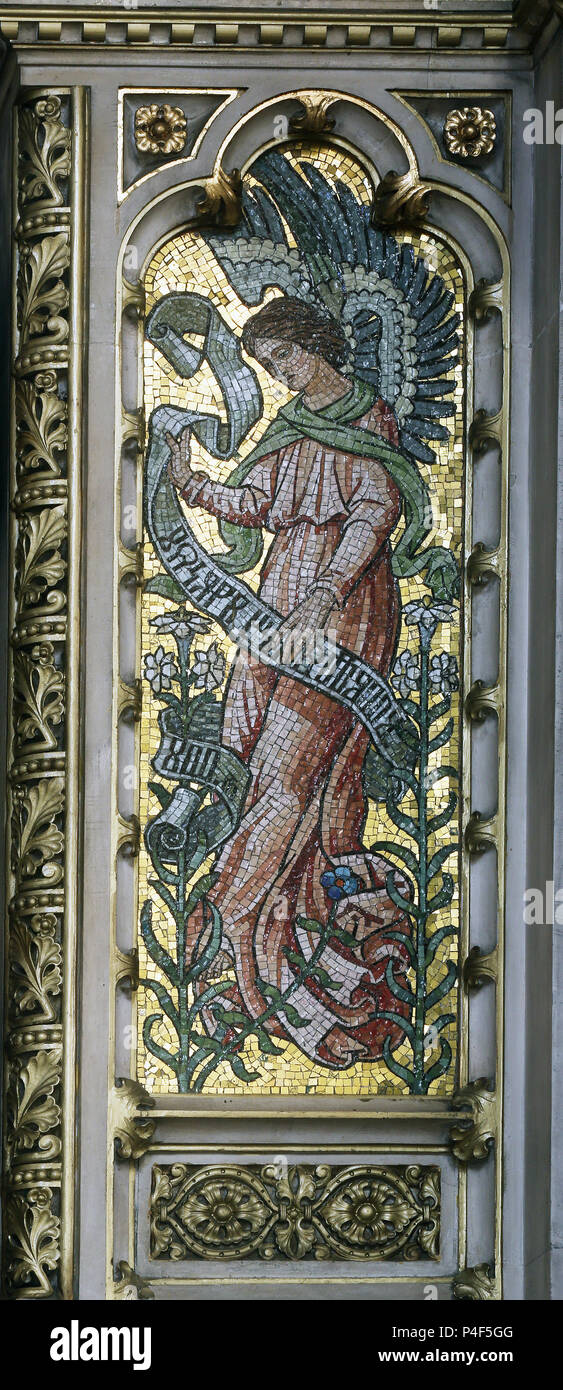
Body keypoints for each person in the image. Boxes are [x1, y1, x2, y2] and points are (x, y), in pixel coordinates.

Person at [166, 295, 412, 1069]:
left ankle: (226, 927)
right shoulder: (293, 429)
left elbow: (375, 514)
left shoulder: (365, 421)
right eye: (268, 369)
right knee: (271, 772)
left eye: (284, 360)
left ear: (315, 344)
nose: (278, 378)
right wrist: (194, 484)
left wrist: (324, 593)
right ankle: (284, 926)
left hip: (337, 612)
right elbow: (261, 505)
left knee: (285, 772)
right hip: (276, 607)